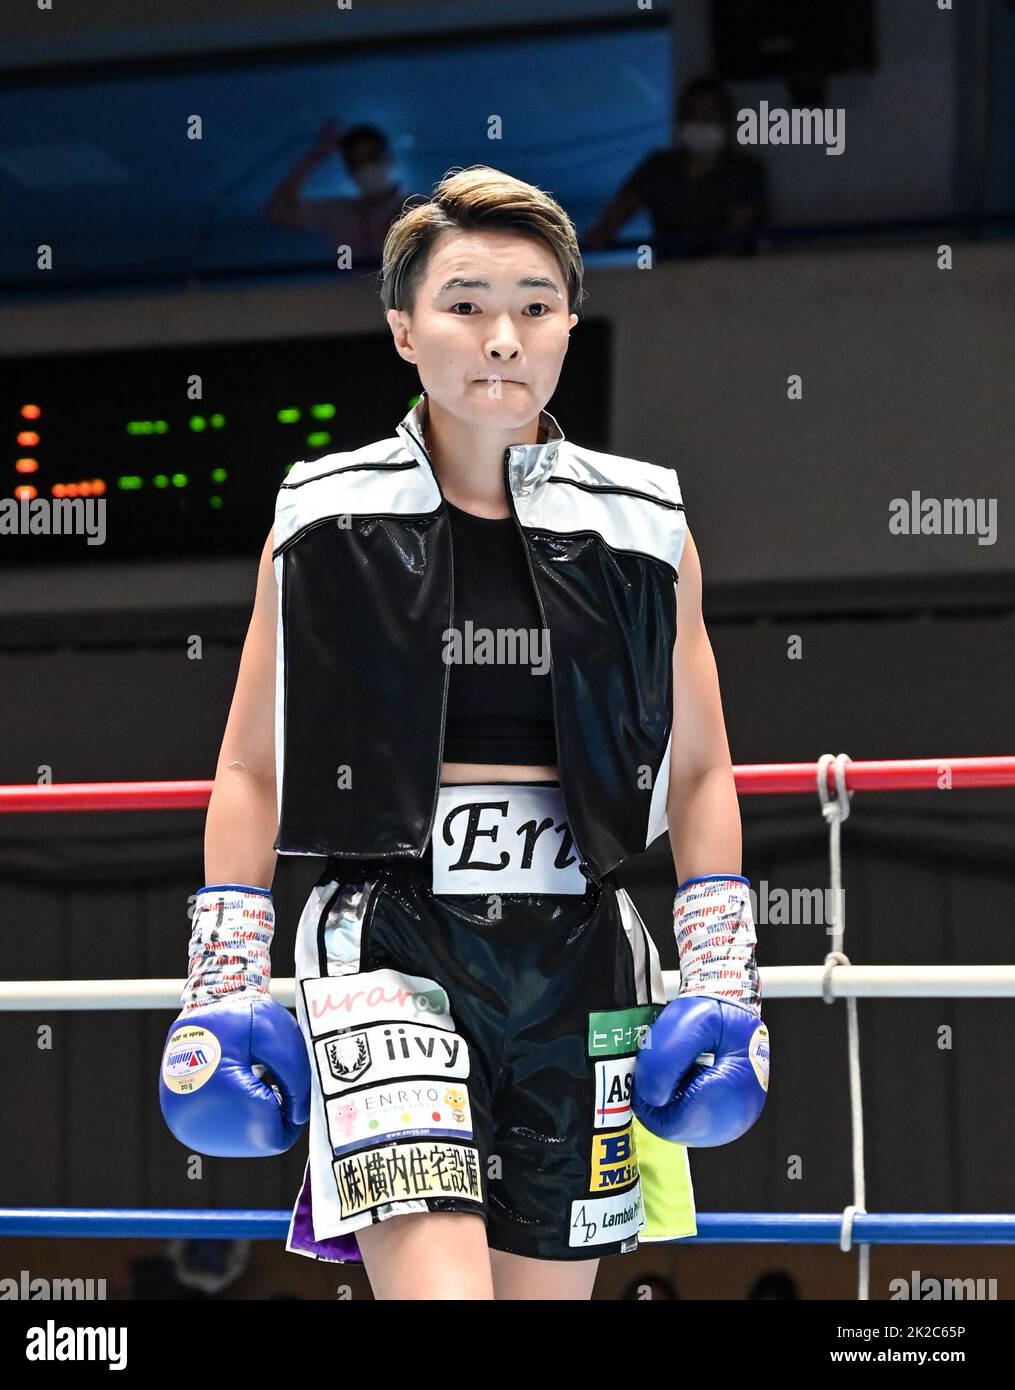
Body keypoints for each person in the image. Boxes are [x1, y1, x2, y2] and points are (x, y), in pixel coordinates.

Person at [159, 165, 770, 1301]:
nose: (502, 337)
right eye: (465, 303)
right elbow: (249, 761)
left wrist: (723, 977)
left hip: (580, 953)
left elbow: (697, 768)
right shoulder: (326, 516)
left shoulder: (644, 527)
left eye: (535, 306)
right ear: (404, 329)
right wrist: (223, 978)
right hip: (391, 944)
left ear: (569, 325)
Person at [583, 75, 767, 261]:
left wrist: (714, 266)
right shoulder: (658, 168)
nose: (700, 123)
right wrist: (596, 237)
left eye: (709, 115)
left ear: (725, 121)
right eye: (692, 115)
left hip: (729, 274)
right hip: (670, 272)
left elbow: (738, 231)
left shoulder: (744, 171)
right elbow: (622, 209)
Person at [265, 120, 408, 263]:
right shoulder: (339, 213)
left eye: (373, 157)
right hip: (345, 278)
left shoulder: (415, 211)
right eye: (356, 162)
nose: (366, 168)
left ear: (390, 157)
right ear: (349, 170)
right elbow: (278, 210)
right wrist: (317, 154)